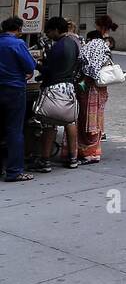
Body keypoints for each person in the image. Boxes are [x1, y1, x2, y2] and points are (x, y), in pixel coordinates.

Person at [36, 16, 81, 170]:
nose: (48, 35)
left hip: (54, 88)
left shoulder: (57, 47)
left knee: (49, 123)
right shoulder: (73, 43)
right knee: (70, 122)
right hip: (69, 88)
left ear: (55, 30)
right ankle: (73, 158)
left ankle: (45, 160)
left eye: (49, 31)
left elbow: (50, 71)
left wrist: (38, 66)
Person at [0, 15, 37, 182]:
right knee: (14, 130)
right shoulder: (17, 43)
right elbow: (30, 66)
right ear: (18, 29)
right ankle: (14, 171)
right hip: (14, 90)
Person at [73, 29, 112, 163]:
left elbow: (91, 67)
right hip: (100, 89)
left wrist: (84, 81)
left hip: (88, 88)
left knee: (86, 118)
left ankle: (88, 152)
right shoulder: (103, 46)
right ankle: (94, 150)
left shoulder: (90, 46)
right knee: (96, 119)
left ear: (90, 38)